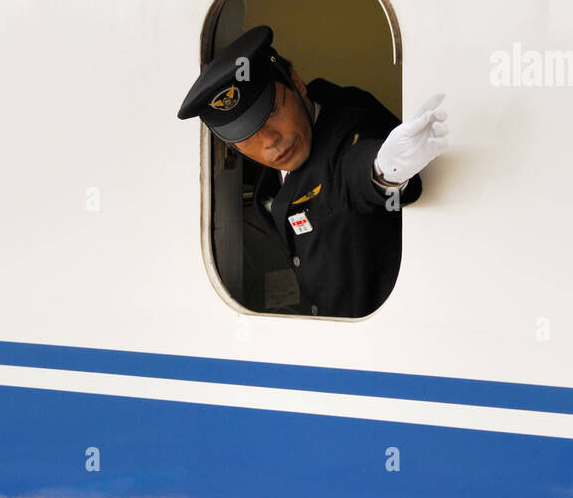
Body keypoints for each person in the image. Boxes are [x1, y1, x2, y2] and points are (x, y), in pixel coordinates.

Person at [177, 25, 448, 317]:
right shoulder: (278, 151)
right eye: (246, 137)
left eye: (271, 113)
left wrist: (385, 171)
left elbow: (353, 169)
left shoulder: (350, 123)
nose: (269, 141)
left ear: (296, 81)